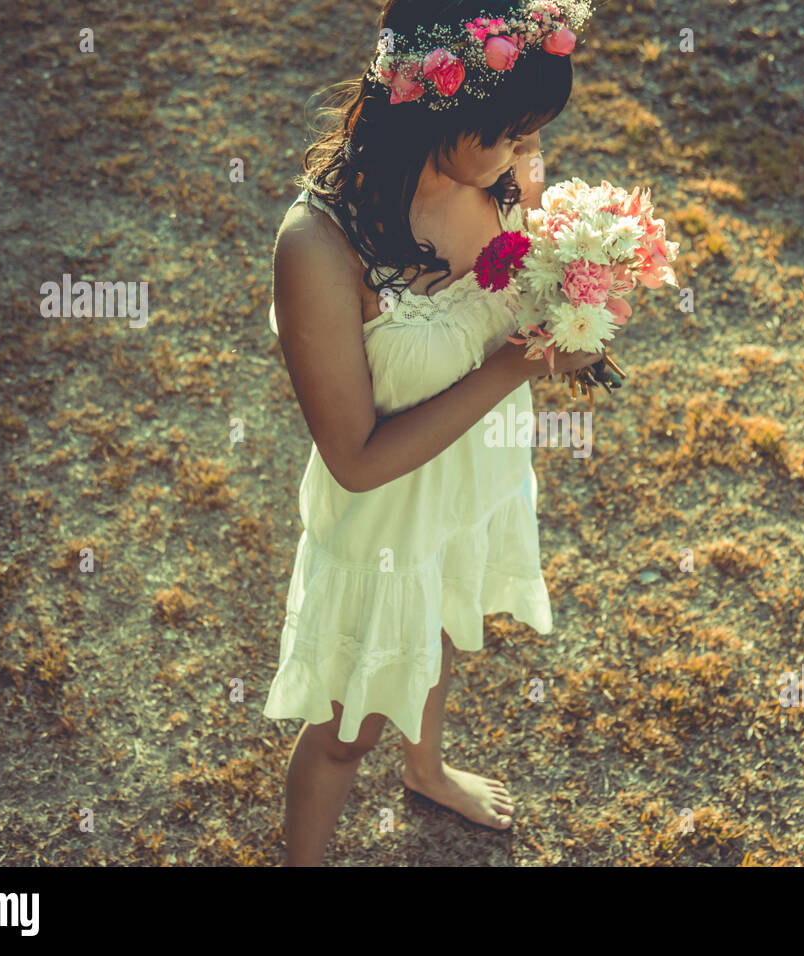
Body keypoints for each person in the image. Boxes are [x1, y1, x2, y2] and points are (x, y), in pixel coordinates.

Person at [262, 0, 602, 865]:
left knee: (444, 616)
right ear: (433, 102)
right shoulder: (320, 246)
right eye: (511, 134)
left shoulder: (494, 178)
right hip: (383, 519)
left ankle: (428, 768)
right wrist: (515, 369)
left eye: (533, 134)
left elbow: (525, 276)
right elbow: (356, 460)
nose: (528, 157)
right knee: (346, 728)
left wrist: (577, 308)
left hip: (470, 476)